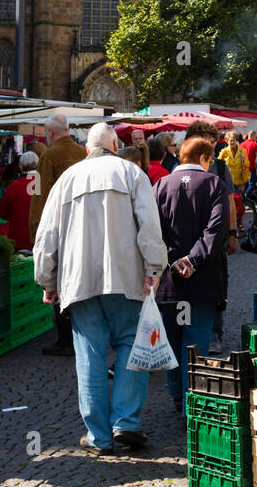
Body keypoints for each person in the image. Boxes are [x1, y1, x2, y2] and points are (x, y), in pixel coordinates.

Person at [33, 123, 167, 456]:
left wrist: (47, 280)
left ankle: (98, 436)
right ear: (114, 144)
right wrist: (154, 268)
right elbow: (150, 226)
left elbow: (46, 235)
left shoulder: (67, 179)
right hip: (125, 276)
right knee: (130, 345)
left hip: (79, 280)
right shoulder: (132, 174)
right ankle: (125, 423)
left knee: (89, 353)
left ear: (89, 145)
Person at [154, 136, 231, 413]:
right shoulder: (213, 184)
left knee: (173, 339)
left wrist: (175, 259)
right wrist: (192, 258)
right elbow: (217, 229)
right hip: (203, 277)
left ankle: (177, 393)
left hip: (170, 278)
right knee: (196, 341)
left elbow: (153, 231)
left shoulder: (162, 185)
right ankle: (192, 403)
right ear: (203, 158)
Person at [29, 113, 86, 357]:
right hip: (84, 226)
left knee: (59, 282)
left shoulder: (48, 156)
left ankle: (65, 339)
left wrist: (35, 232)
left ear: (49, 132)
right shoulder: (84, 153)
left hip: (60, 228)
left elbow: (39, 197)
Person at [185, 121, 239, 355]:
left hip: (215, 237)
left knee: (217, 286)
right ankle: (187, 331)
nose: (211, 145)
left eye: (212, 140)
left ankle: (216, 332)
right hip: (187, 237)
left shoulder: (219, 167)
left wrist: (233, 233)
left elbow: (230, 203)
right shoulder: (179, 167)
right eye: (206, 140)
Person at [0, 150, 40, 250]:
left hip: (18, 242)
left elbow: (3, 212)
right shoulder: (47, 185)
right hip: (42, 242)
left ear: (20, 168)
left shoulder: (13, 187)